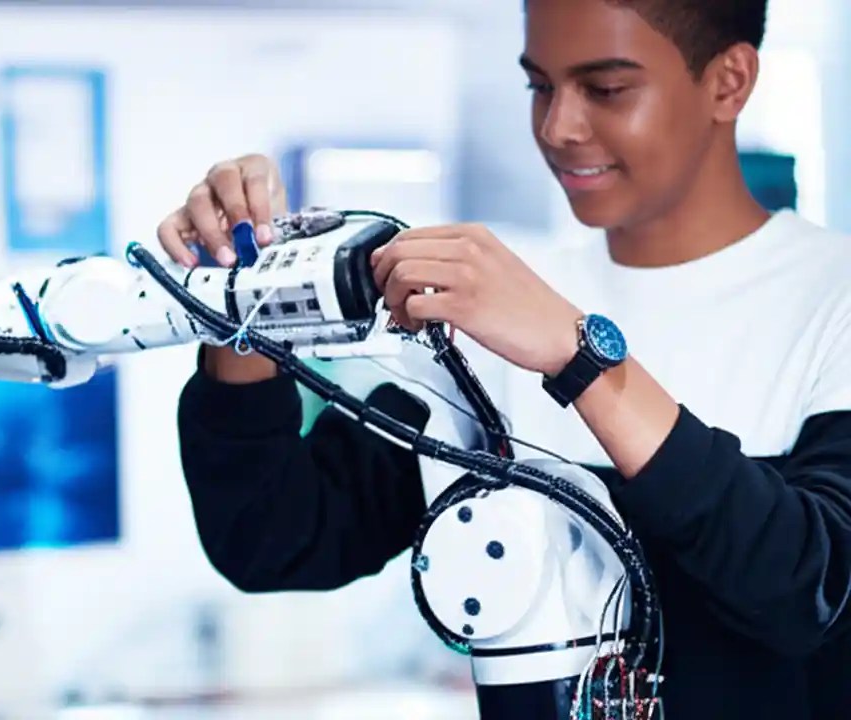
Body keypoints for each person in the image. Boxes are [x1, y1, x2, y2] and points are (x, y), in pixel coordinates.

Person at [155, 0, 851, 716]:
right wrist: (238, 300)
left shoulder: (833, 299)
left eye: (606, 88)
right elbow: (273, 539)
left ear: (729, 81)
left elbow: (814, 589)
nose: (558, 128)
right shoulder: (491, 314)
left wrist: (573, 355)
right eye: (539, 86)